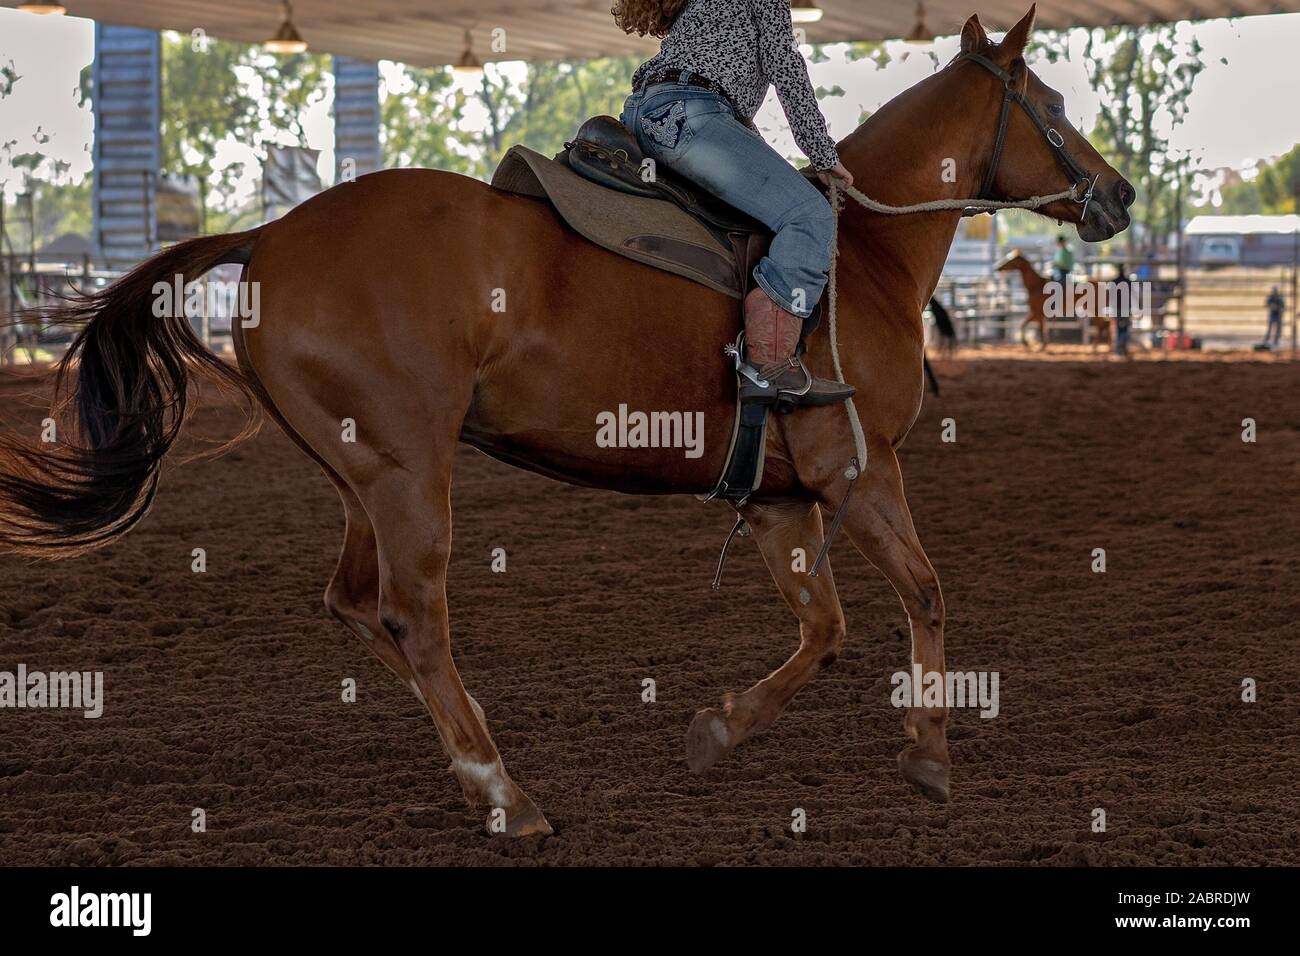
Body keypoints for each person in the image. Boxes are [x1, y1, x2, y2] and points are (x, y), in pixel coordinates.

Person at [613, 0, 855, 408]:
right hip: (691, 115)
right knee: (808, 215)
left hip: (649, 111)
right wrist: (823, 155)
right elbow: (784, 61)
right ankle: (770, 364)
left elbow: (730, 121)